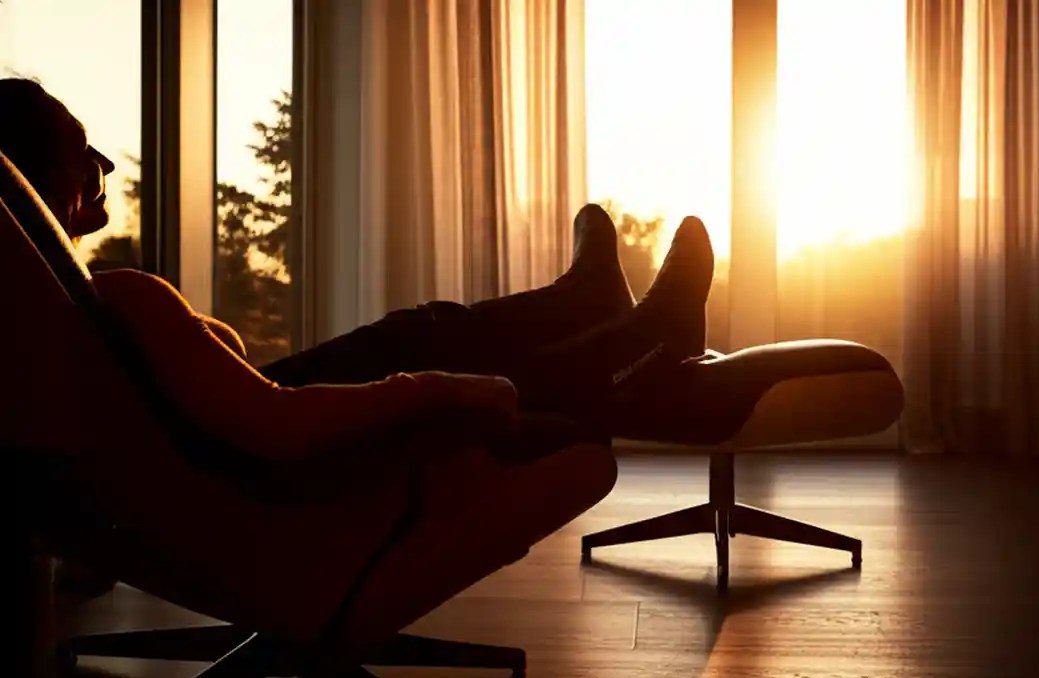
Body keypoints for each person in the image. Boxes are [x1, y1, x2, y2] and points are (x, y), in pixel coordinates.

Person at [0, 77, 715, 435]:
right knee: (444, 364)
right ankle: (637, 336)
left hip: (218, 438)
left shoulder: (59, 298)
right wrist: (432, 390)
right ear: (37, 171)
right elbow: (267, 425)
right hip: (251, 456)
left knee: (415, 333)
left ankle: (588, 303)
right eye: (79, 149)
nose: (105, 165)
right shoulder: (112, 296)